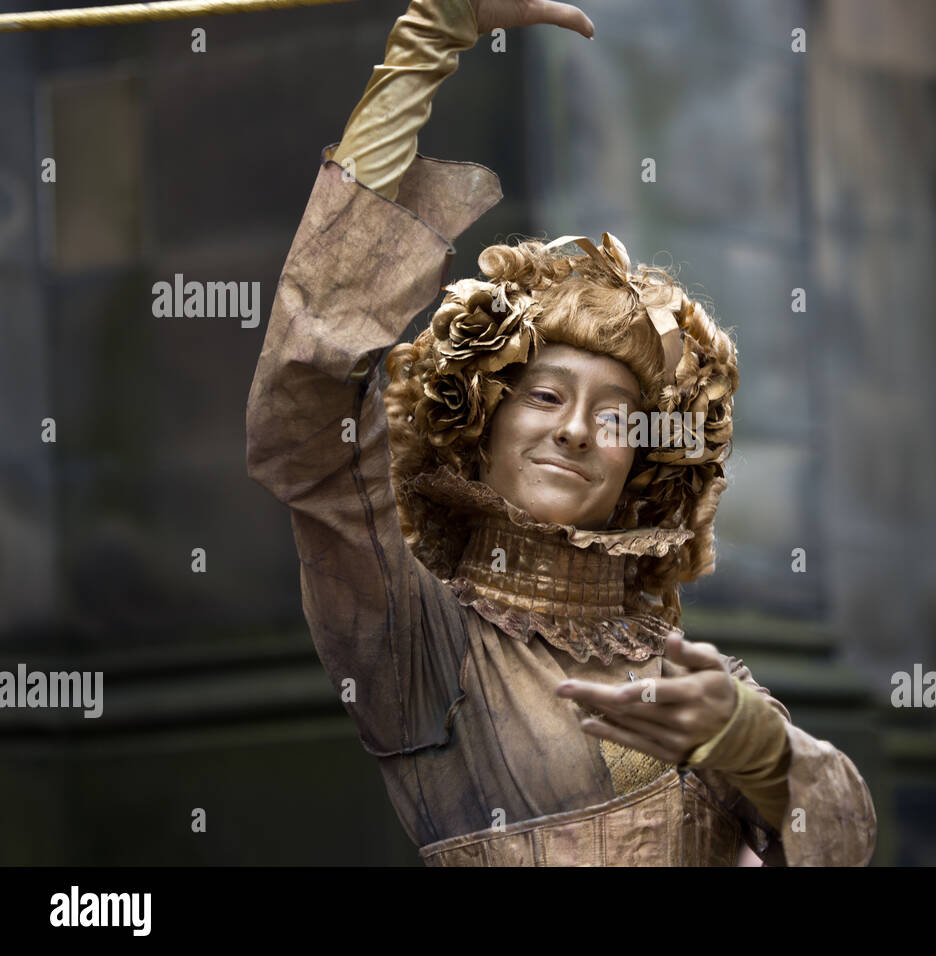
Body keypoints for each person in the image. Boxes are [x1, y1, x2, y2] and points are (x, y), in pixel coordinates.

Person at [245, 0, 877, 866]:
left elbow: (842, 838)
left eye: (616, 415)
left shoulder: (687, 669)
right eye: (543, 397)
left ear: (641, 462)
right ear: (481, 424)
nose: (578, 431)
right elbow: (307, 408)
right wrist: (425, 44)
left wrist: (753, 745)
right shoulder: (421, 641)